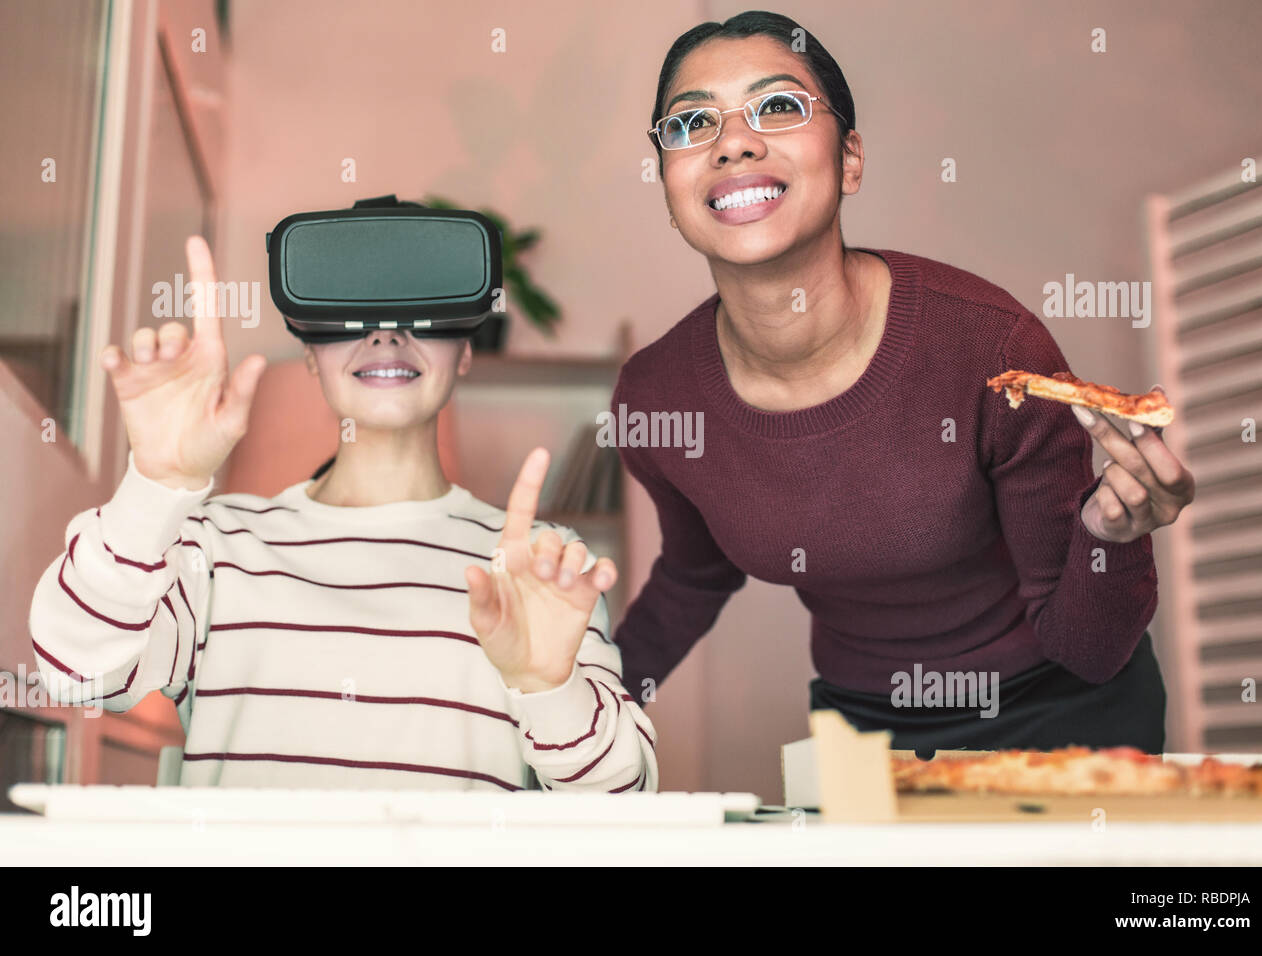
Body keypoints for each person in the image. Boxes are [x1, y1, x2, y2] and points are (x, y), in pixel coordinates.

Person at [611, 11, 1194, 754]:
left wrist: (1112, 535)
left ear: (850, 159)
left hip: (1063, 720)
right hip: (863, 735)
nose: (733, 141)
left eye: (779, 106)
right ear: (667, 183)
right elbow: (694, 577)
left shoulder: (993, 349)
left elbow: (1087, 647)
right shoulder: (655, 399)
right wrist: (565, 708)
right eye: (691, 123)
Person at [29, 235, 656, 791]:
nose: (387, 330)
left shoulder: (538, 566)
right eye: (350, 309)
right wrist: (158, 482)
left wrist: (548, 686)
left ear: (465, 351)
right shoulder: (216, 546)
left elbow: (621, 798)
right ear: (309, 354)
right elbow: (75, 672)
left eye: (422, 307)